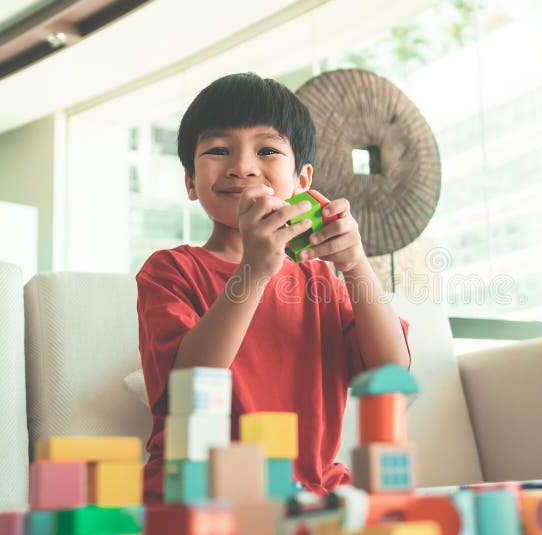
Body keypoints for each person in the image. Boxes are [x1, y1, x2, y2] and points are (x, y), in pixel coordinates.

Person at [136, 72, 411, 502]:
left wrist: (356, 264)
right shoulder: (170, 271)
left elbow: (392, 372)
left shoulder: (319, 279)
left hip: (311, 490)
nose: (243, 166)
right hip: (201, 492)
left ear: (303, 180)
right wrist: (255, 270)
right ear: (190, 181)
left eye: (266, 150)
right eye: (218, 150)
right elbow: (189, 384)